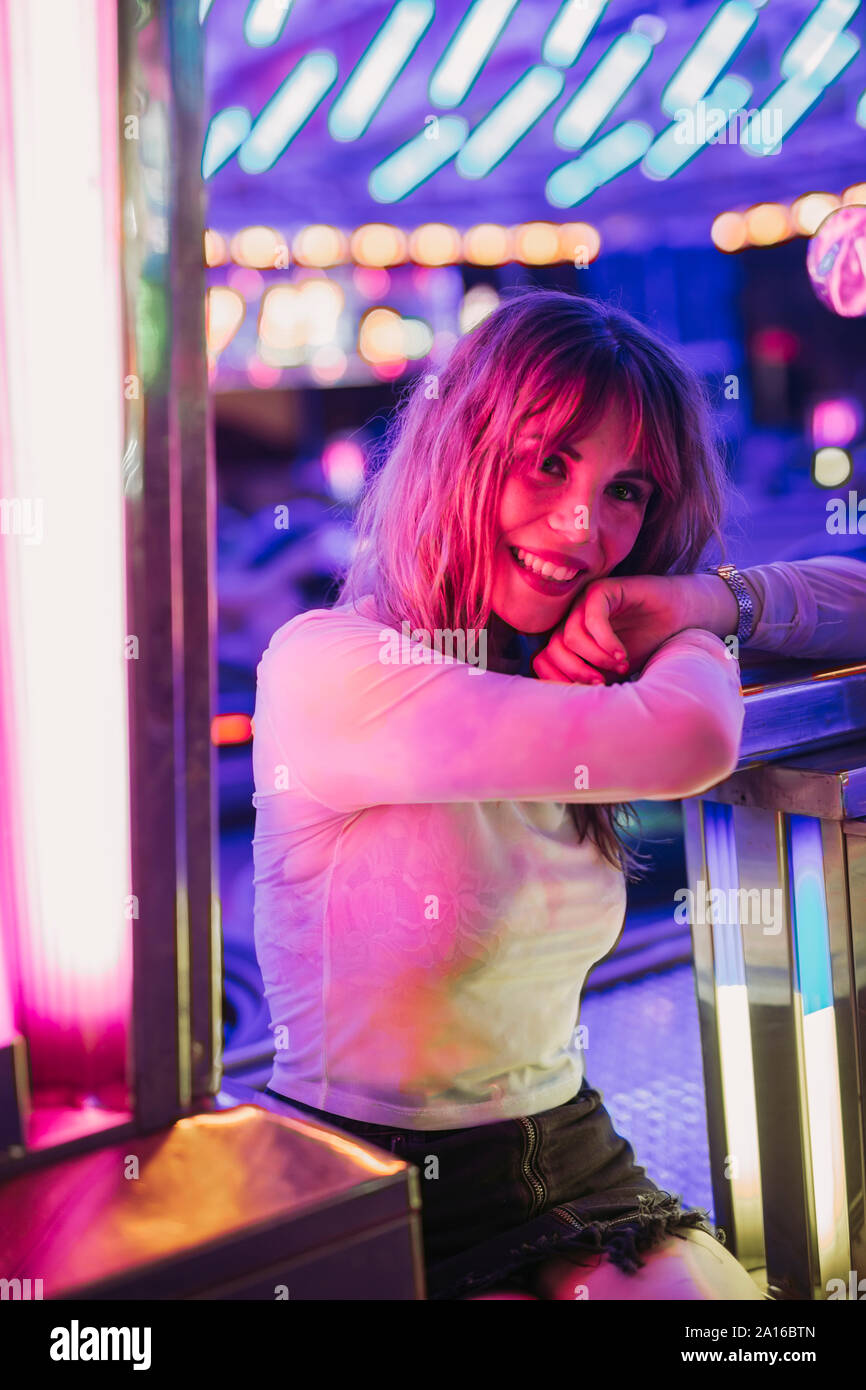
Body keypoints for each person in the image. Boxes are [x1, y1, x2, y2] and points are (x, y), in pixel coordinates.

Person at [251, 290, 866, 1300]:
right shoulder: (328, 667)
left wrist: (698, 593)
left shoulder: (561, 665)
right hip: (365, 1172)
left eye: (627, 490)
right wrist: (691, 628)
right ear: (462, 451)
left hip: (569, 1152)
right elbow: (687, 740)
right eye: (547, 463)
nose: (584, 525)